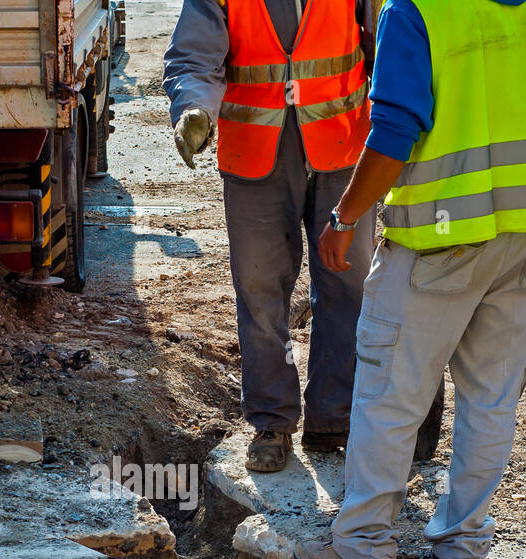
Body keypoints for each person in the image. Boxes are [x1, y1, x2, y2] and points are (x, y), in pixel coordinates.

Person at [292, 0, 526, 559]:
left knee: (389, 396)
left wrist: (345, 215)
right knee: (491, 401)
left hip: (438, 243)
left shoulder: (418, 10)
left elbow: (395, 133)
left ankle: (361, 545)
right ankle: (463, 550)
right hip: (525, 236)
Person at [165, 0, 411, 473]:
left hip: (343, 150)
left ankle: (334, 418)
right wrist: (193, 106)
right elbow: (194, 55)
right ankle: (272, 421)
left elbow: (386, 40)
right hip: (255, 155)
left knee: (347, 285)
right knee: (260, 291)